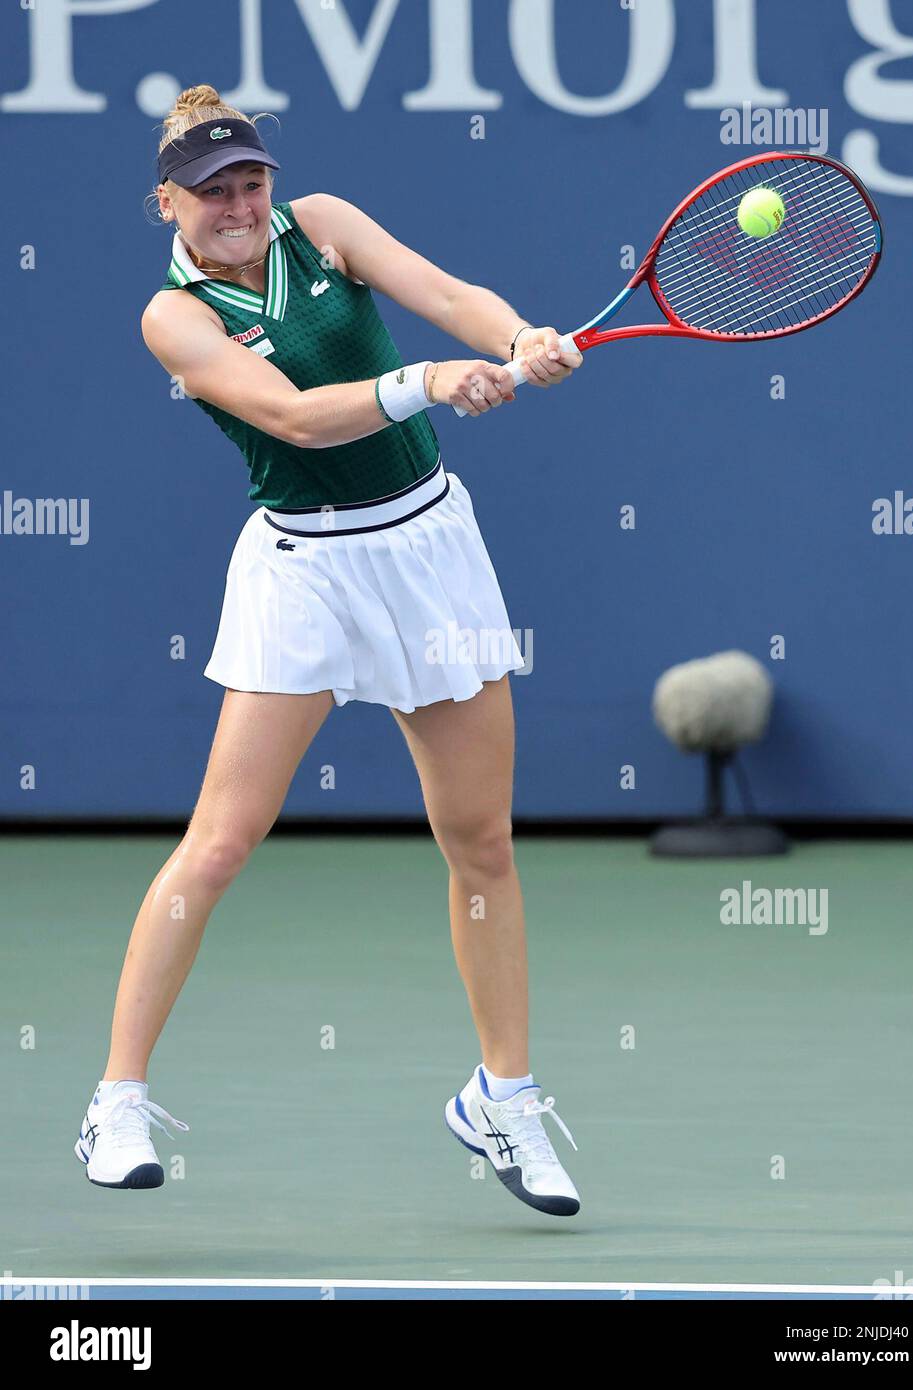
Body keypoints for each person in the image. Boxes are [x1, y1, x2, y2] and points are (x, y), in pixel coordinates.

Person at [74, 85, 583, 1217]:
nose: (240, 203)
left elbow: (445, 293)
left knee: (481, 842)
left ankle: (503, 1094)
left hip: (429, 551)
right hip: (302, 575)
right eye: (213, 191)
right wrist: (428, 381)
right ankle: (115, 1098)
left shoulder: (326, 221)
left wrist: (513, 339)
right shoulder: (175, 319)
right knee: (217, 844)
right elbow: (297, 418)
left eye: (249, 181)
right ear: (167, 201)